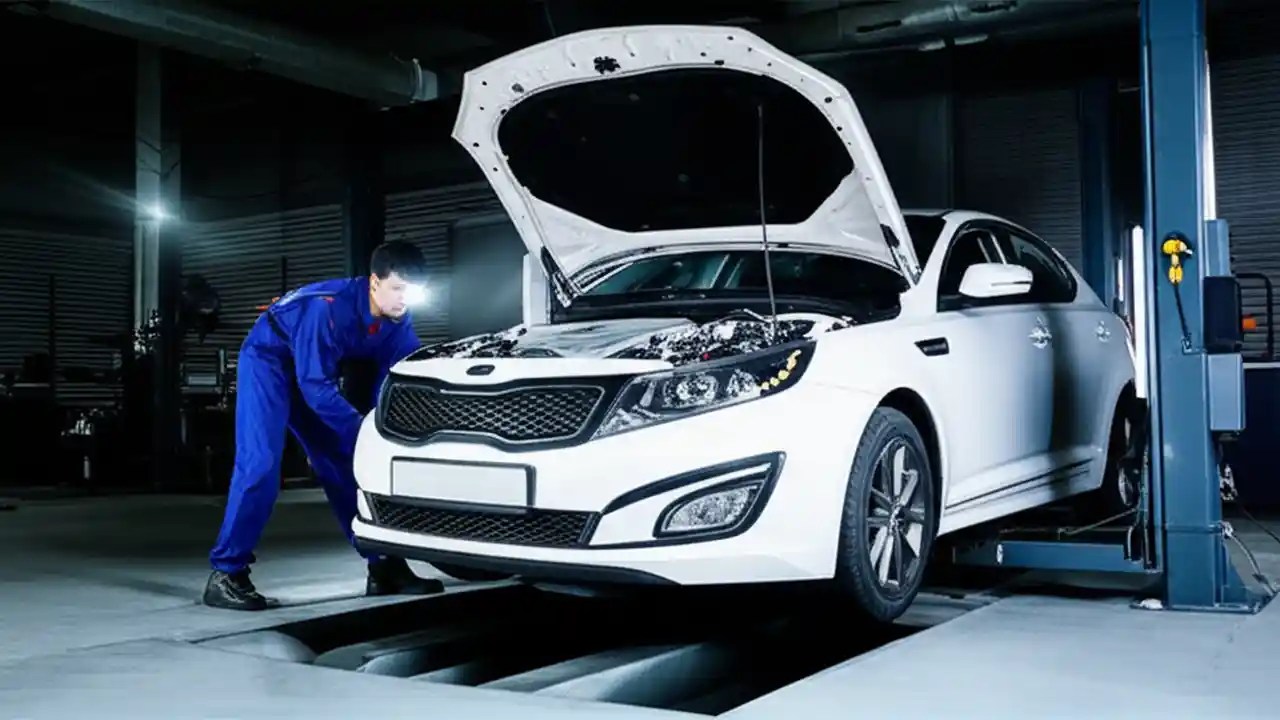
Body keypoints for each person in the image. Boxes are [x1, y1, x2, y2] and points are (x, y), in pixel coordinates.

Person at [204, 241, 443, 610]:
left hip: (315, 373)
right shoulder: (326, 308)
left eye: (412, 292)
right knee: (261, 464)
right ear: (374, 282)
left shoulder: (398, 317)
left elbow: (404, 375)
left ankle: (384, 567)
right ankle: (226, 574)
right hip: (270, 361)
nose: (404, 300)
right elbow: (314, 387)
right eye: (397, 289)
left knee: (346, 465)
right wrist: (365, 429)